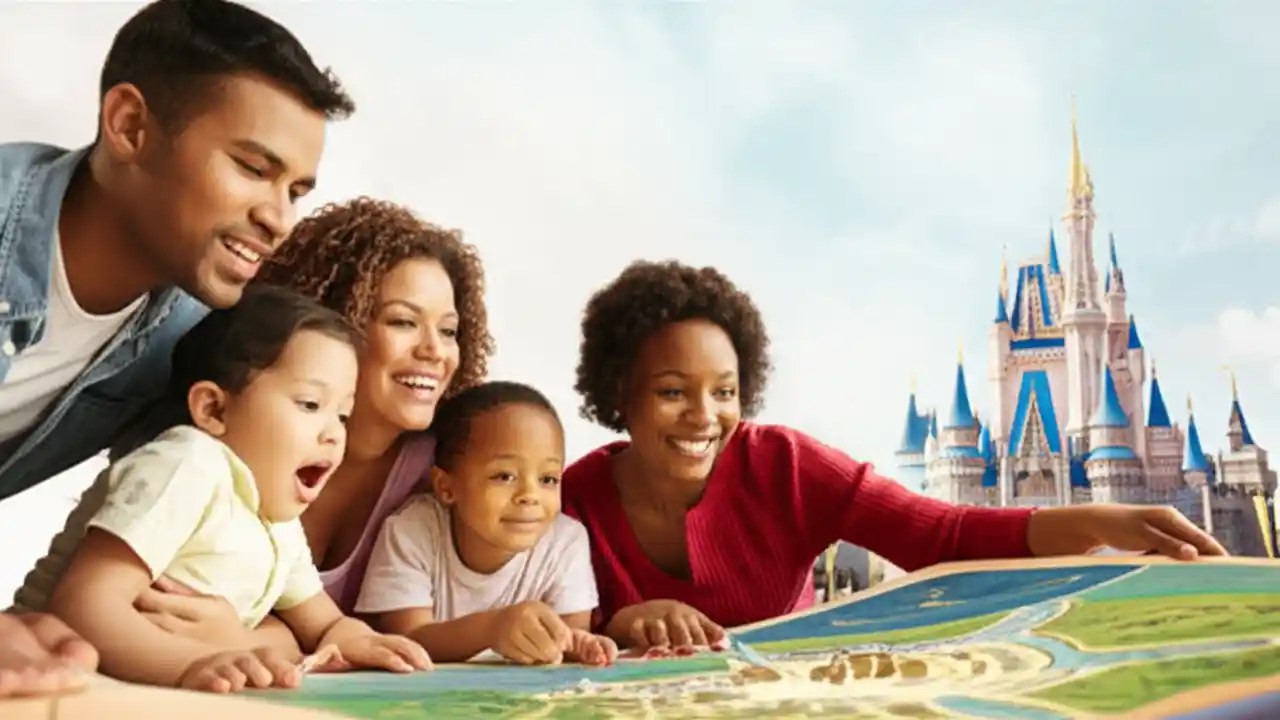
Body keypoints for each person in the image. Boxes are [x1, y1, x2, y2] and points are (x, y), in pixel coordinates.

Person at [561, 259, 1229, 650]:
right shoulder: (571, 497)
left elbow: (940, 534)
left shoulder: (786, 467)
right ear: (620, 391)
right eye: (673, 391)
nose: (705, 416)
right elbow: (536, 628)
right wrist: (616, 624)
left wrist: (1099, 522)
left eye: (725, 391)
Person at [0, 0, 354, 696]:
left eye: (296, 190)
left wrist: (252, 639)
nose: (278, 219)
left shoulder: (185, 337)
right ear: (130, 126)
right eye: (253, 167)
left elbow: (178, 544)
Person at [10, 285, 432, 693]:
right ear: (214, 408)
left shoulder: (274, 518)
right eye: (309, 405)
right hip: (39, 672)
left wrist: (351, 636)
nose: (334, 435)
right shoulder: (187, 464)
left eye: (343, 415)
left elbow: (317, 625)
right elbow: (84, 603)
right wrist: (191, 663)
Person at [128, 197, 497, 657]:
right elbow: (133, 604)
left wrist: (245, 640)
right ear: (332, 319)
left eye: (448, 330)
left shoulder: (440, 471)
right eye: (403, 321)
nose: (435, 351)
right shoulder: (226, 452)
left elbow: (321, 629)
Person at [354, 381, 617, 667]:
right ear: (446, 487)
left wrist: (582, 645)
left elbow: (569, 637)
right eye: (504, 476)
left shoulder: (566, 541)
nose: (530, 496)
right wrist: (492, 629)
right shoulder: (412, 531)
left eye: (548, 479)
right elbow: (406, 640)